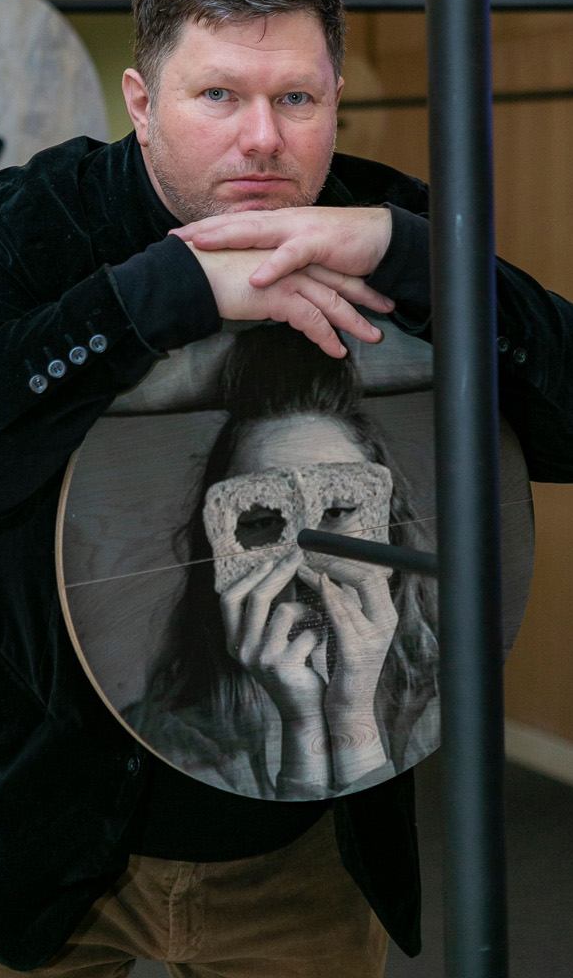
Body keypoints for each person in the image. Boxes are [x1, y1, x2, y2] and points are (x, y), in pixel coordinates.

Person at [0, 0, 573, 977]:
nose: (263, 140)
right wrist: (165, 293)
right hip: (28, 808)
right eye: (219, 97)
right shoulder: (36, 220)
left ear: (336, 100)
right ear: (143, 103)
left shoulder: (388, 231)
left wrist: (412, 254)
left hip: (296, 843)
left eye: (297, 99)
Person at [126, 324, 439, 802]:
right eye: (259, 519)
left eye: (337, 510)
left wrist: (352, 713)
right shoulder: (163, 738)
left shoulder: (452, 703)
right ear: (218, 547)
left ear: (387, 524)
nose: (304, 556)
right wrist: (303, 726)